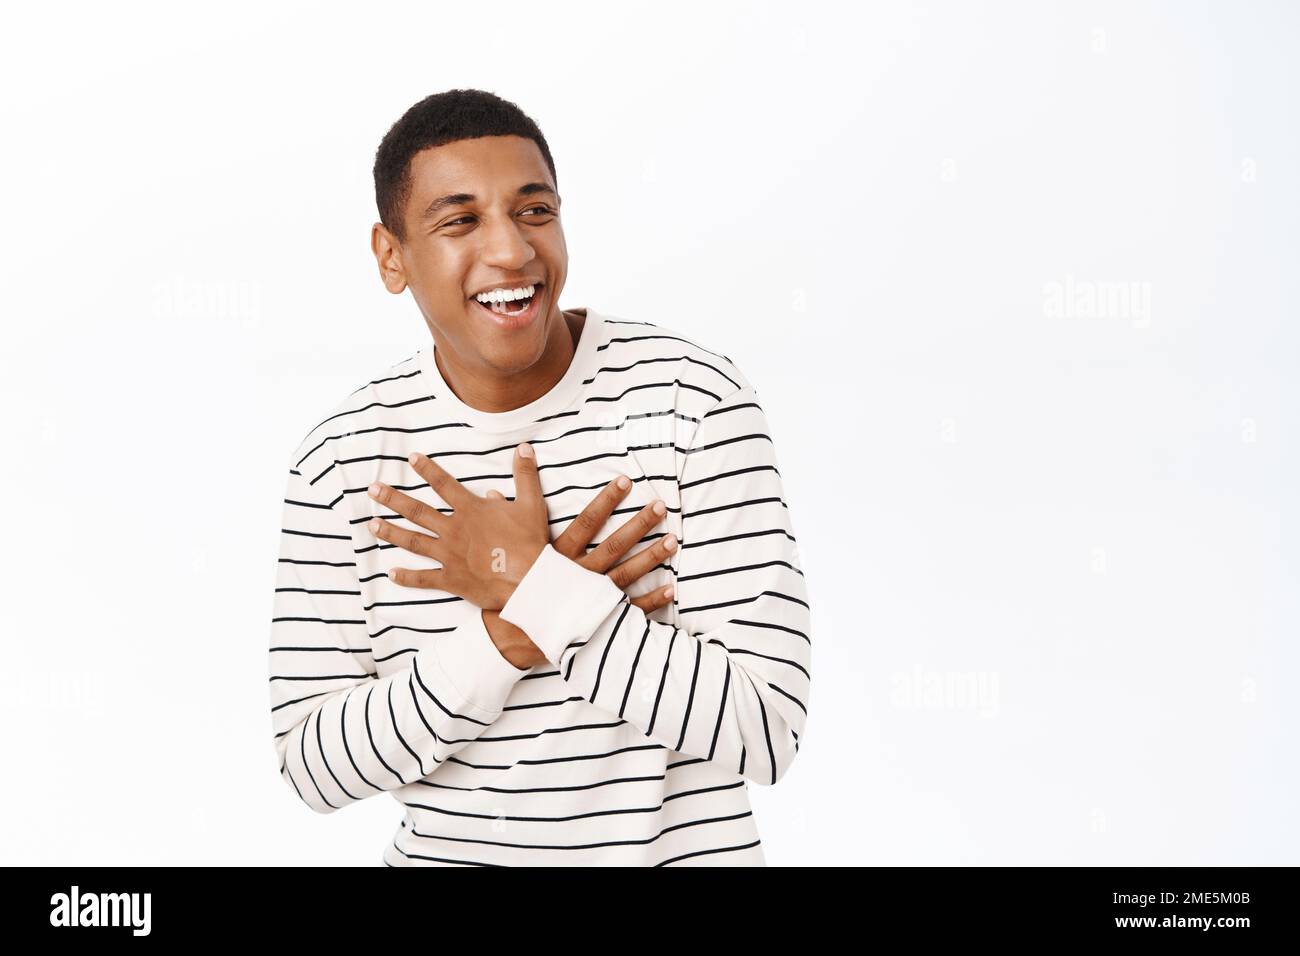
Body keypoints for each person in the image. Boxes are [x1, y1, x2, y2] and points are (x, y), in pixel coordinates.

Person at [268, 89, 812, 866]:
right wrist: (510, 631)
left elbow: (766, 732)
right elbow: (312, 766)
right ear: (392, 257)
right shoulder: (344, 461)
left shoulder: (692, 404)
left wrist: (535, 584)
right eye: (460, 220)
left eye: (534, 211)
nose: (513, 252)